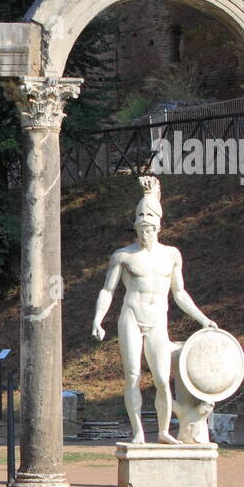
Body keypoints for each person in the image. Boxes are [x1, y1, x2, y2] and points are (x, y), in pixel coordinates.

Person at [91, 177, 216, 444]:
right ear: (135, 226)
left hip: (158, 319)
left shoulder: (171, 255)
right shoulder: (123, 256)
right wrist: (98, 320)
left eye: (149, 224)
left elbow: (180, 293)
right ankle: (138, 431)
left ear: (158, 226)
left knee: (161, 378)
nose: (144, 230)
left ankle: (162, 432)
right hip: (132, 317)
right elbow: (108, 291)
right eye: (140, 224)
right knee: (133, 375)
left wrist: (203, 319)